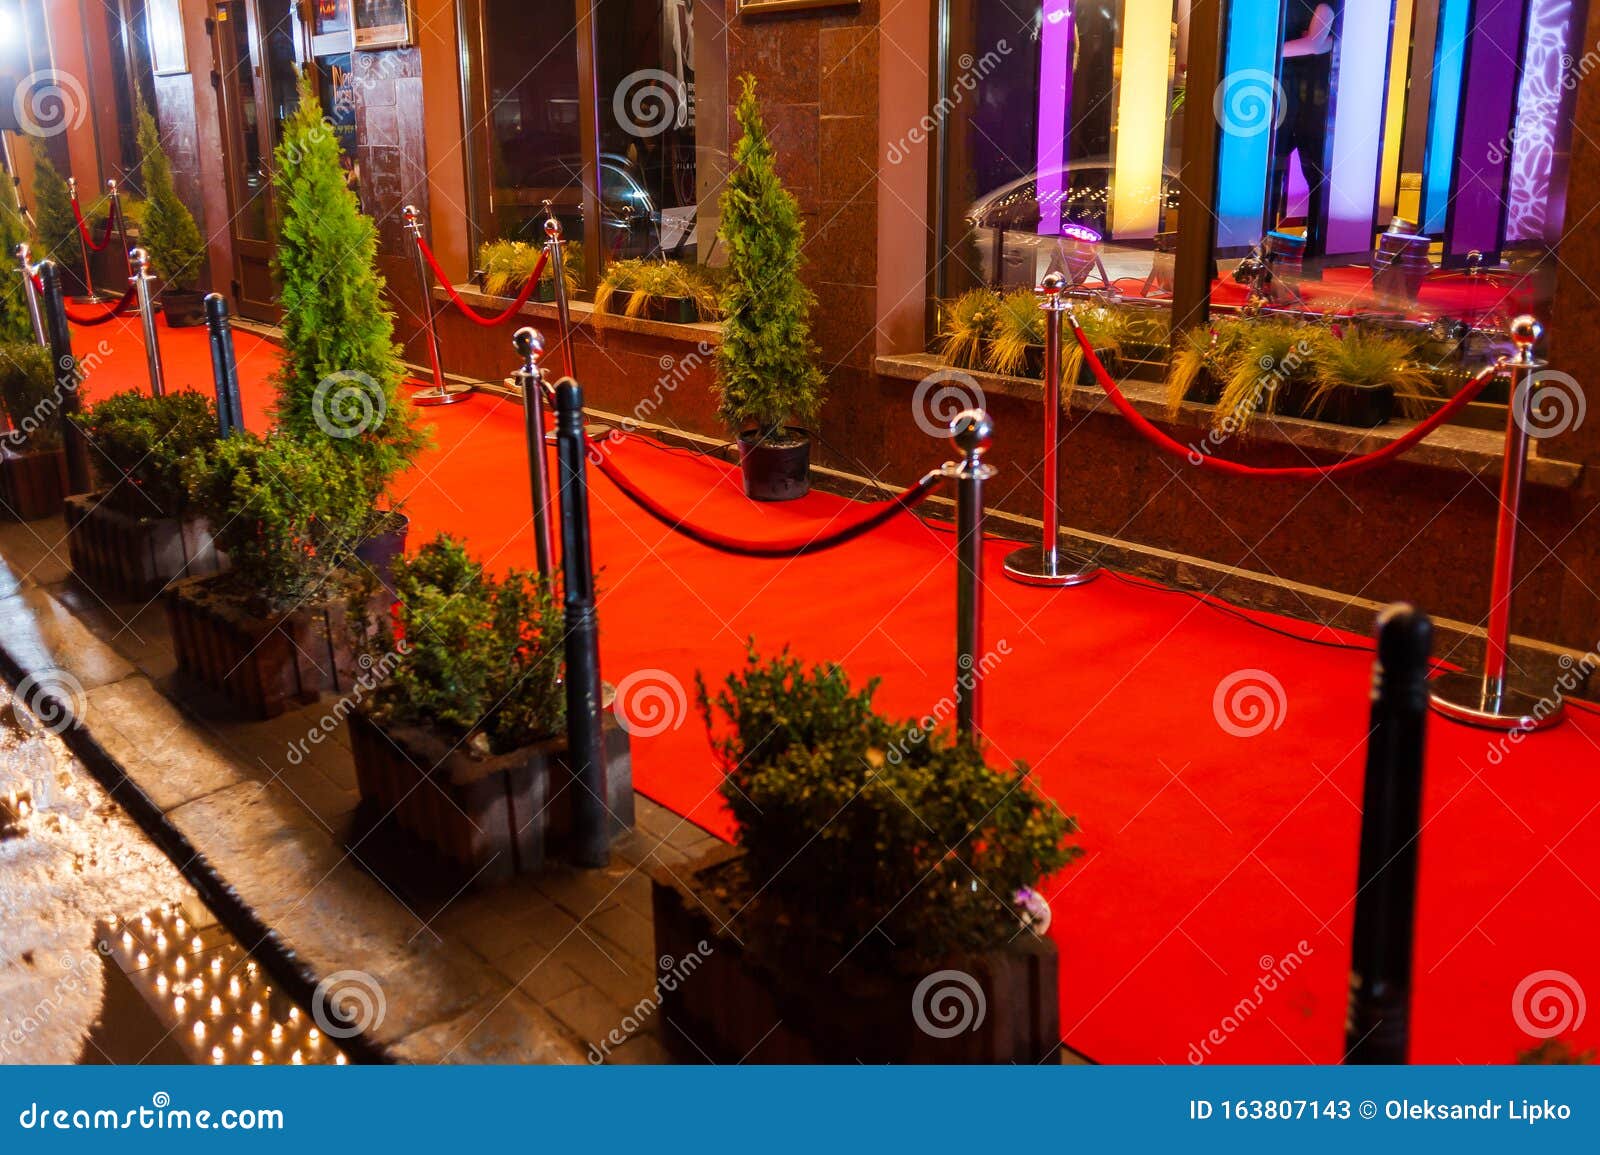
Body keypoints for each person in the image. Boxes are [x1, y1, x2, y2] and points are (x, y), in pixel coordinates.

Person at [1270, 0, 1339, 260]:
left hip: (1312, 96)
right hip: (1286, 90)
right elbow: (1318, 43)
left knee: (1313, 172)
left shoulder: (1324, 4)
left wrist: (1270, 50)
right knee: (1274, 169)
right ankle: (1266, 244)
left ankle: (1315, 247)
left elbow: (1318, 42)